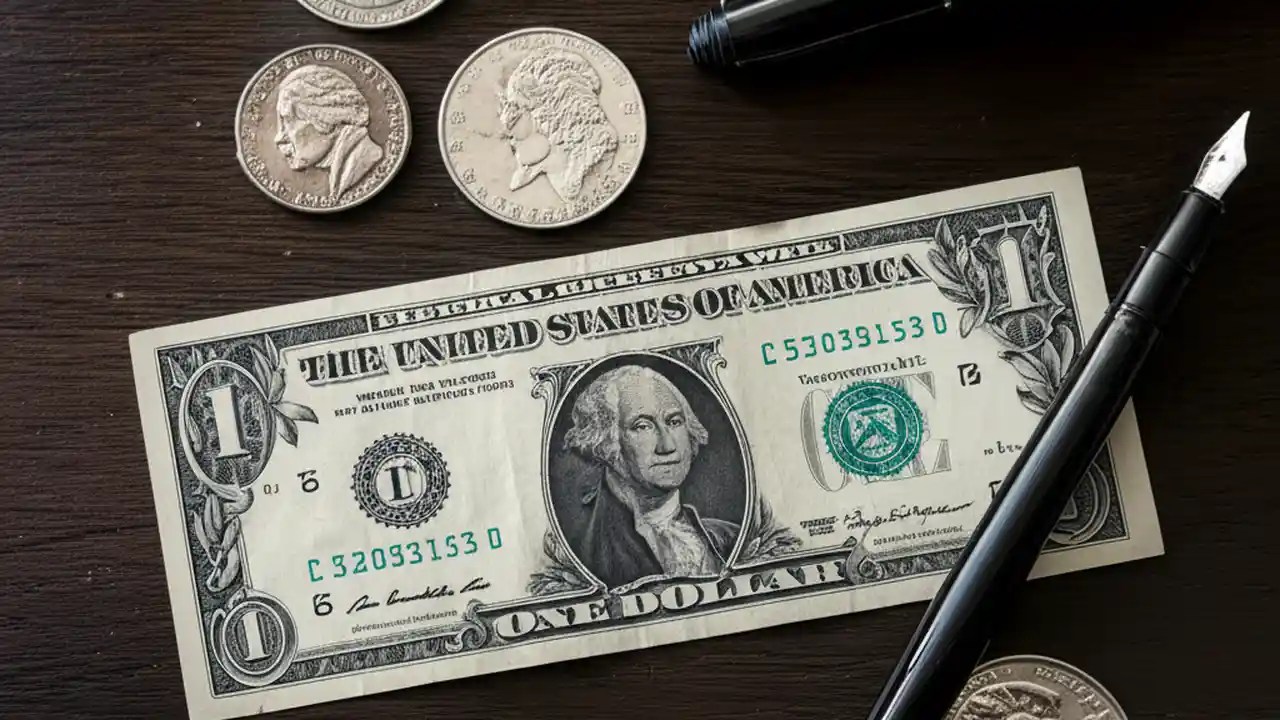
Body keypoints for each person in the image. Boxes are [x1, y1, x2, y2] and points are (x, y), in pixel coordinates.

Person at [560, 365, 740, 587]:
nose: (667, 445)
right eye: (643, 426)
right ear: (606, 443)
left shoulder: (731, 538)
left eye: (674, 422)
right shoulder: (579, 556)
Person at [498, 47, 619, 202]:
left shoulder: (595, 167)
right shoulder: (564, 179)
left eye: (514, 117)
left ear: (547, 115)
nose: (510, 137)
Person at [274, 64, 384, 198]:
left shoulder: (368, 157)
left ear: (327, 117)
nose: (279, 137)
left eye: (288, 120)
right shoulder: (341, 171)